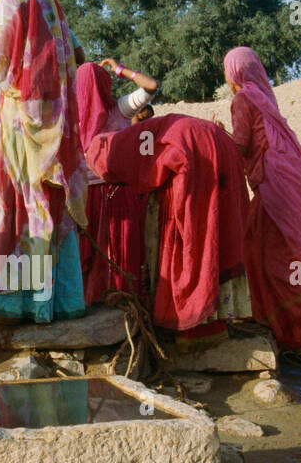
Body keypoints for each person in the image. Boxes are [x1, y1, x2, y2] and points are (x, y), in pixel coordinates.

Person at [0, 0, 89, 323]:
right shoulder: (50, 3)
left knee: (11, 201)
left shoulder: (11, 2)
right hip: (51, 120)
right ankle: (59, 301)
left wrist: (21, 83)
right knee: (46, 203)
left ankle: (13, 303)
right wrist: (53, 86)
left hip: (16, 118)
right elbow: (78, 53)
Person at [83, 111, 251, 334]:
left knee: (192, 240)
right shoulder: (146, 133)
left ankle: (190, 323)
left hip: (196, 153)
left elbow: (149, 170)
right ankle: (217, 318)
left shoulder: (123, 145)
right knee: (218, 230)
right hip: (218, 146)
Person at [223, 46, 301, 349]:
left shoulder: (242, 99)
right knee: (266, 240)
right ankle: (276, 318)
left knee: (272, 249)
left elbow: (242, 145)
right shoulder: (263, 96)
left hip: (272, 179)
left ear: (233, 71)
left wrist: (218, 136)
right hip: (286, 176)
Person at [75, 58, 157, 304]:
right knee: (120, 248)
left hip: (88, 196)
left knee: (92, 251)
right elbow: (151, 86)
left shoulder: (71, 117)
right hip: (118, 193)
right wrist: (120, 69)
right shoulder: (120, 109)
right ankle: (122, 299)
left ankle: (97, 300)